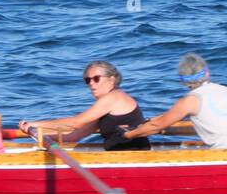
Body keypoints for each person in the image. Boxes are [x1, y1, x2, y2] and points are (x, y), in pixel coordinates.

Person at [119, 54, 227, 149]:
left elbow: (157, 126)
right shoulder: (223, 90)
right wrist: (152, 121)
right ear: (207, 73)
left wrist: (127, 135)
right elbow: (165, 119)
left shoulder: (189, 101)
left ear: (182, 81)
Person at [19, 60, 151, 151]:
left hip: (131, 155)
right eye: (88, 80)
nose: (91, 84)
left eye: (96, 78)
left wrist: (36, 124)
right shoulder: (106, 107)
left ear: (112, 79)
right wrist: (39, 137)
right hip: (118, 154)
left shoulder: (114, 97)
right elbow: (73, 136)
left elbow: (75, 122)